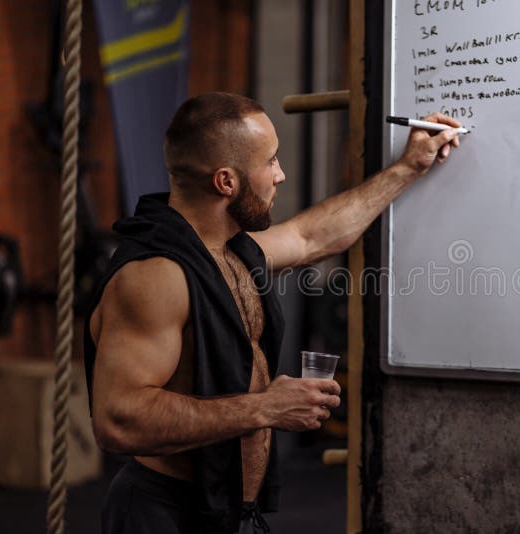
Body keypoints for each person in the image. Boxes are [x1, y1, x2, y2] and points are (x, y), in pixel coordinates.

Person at [84, 92, 462, 534]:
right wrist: (265, 408)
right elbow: (118, 420)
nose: (280, 175)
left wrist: (408, 167)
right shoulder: (155, 276)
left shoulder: (230, 252)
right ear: (226, 182)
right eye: (271, 161)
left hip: (231, 511)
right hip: (164, 514)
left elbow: (311, 237)